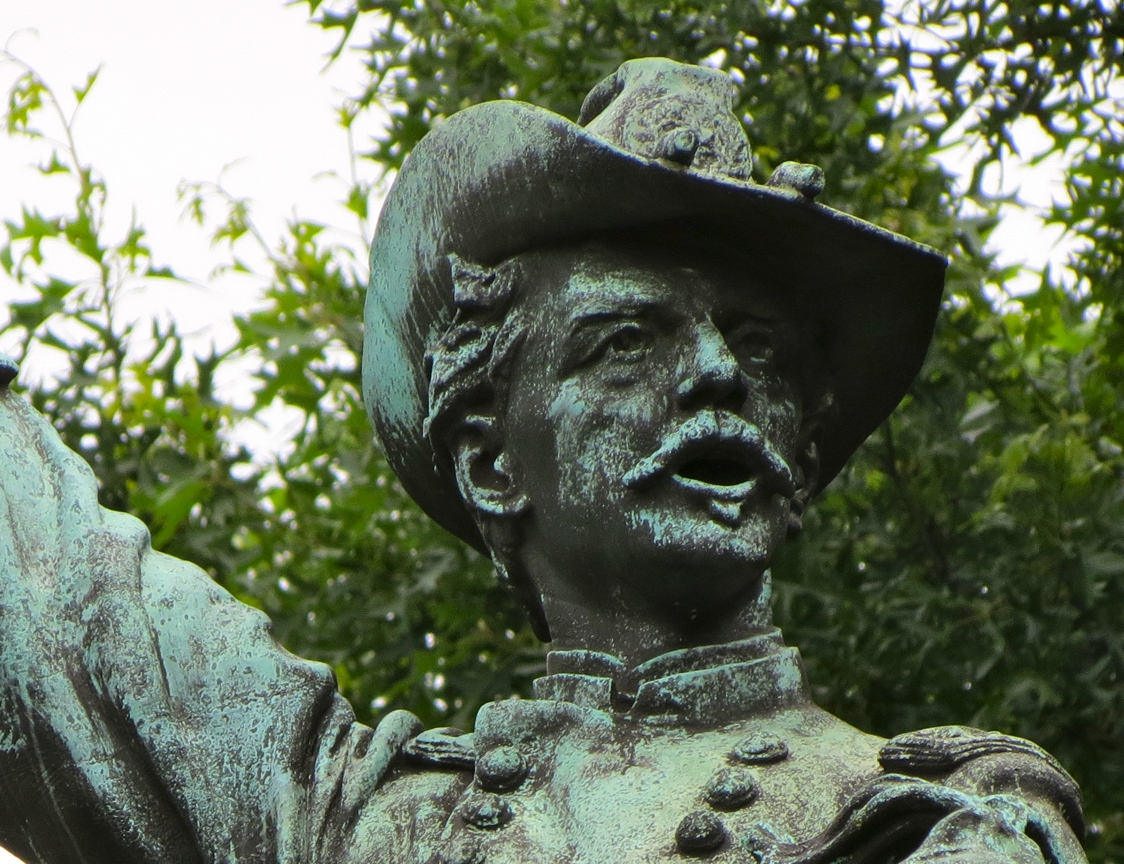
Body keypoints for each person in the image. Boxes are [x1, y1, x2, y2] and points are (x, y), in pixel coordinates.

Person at [0, 58, 1086, 864]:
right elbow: (60, 613)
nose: (716, 375)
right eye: (624, 342)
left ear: (796, 456)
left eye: (758, 348)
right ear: (488, 463)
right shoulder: (361, 822)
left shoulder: (935, 823)